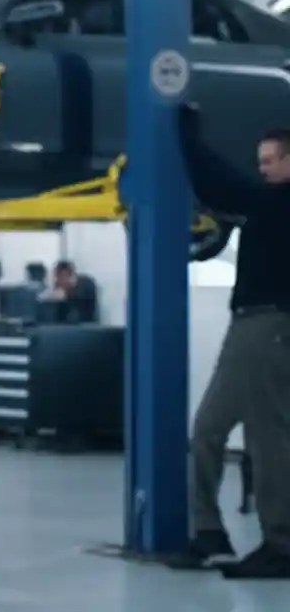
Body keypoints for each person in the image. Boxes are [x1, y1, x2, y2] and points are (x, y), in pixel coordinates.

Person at [166, 122, 290, 579]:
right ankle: (210, 534)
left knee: (267, 439)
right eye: (259, 161)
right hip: (248, 330)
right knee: (207, 430)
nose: (262, 168)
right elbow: (229, 206)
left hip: (268, 329)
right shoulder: (267, 206)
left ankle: (281, 545)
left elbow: (224, 186)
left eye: (270, 160)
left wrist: (189, 138)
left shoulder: (282, 201)